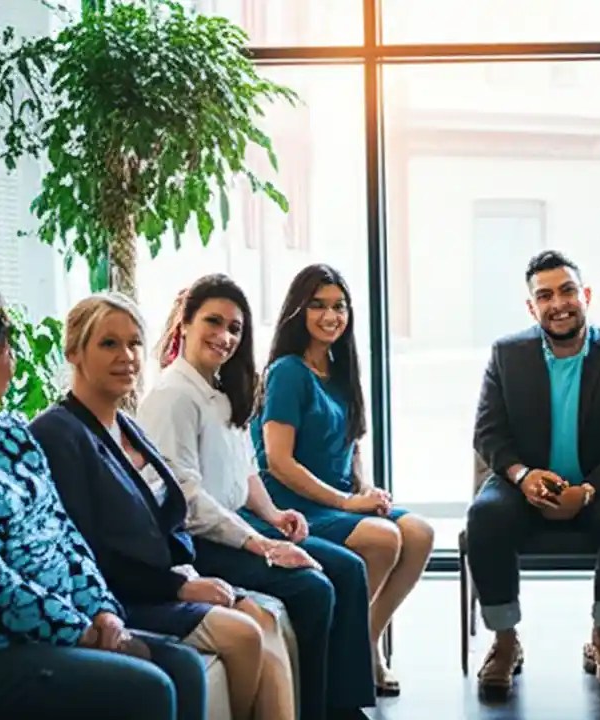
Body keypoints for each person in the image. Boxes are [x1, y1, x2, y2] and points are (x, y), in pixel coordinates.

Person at [29, 292, 292, 720]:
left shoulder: (126, 425)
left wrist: (188, 575)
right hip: (122, 596)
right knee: (244, 635)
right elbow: (85, 552)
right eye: (109, 343)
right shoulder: (57, 433)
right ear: (74, 351)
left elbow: (168, 516)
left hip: (165, 578)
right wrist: (177, 588)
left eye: (134, 343)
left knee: (265, 622)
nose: (127, 356)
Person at [140, 274, 378, 719]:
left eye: (235, 328)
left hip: (236, 527)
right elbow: (186, 500)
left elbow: (246, 469)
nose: (225, 336)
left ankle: (343, 707)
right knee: (311, 588)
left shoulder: (220, 390)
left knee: (348, 569)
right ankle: (315, 712)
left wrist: (274, 514)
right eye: (213, 322)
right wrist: (260, 543)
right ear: (185, 323)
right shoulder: (173, 396)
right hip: (199, 543)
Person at [0, 294, 207, 720]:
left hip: (72, 618)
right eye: (5, 348)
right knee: (148, 687)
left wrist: (103, 610)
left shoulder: (14, 433)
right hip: (12, 642)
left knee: (185, 668)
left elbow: (66, 535)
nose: (11, 359)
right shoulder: (56, 430)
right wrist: (80, 629)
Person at [468, 250, 600, 701]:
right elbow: (488, 432)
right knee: (485, 516)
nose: (558, 303)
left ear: (585, 294)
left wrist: (588, 490)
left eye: (568, 290)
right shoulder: (507, 354)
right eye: (545, 295)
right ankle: (505, 642)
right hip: (524, 486)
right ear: (532, 307)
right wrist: (523, 476)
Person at [250, 263, 433, 697]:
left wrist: (365, 490)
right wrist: (347, 503)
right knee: (383, 539)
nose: (330, 316)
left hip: (337, 500)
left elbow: (351, 447)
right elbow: (278, 461)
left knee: (419, 532)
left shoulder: (341, 369)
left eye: (339, 306)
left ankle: (365, 638)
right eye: (318, 305)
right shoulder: (288, 372)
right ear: (298, 310)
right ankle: (349, 648)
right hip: (292, 505)